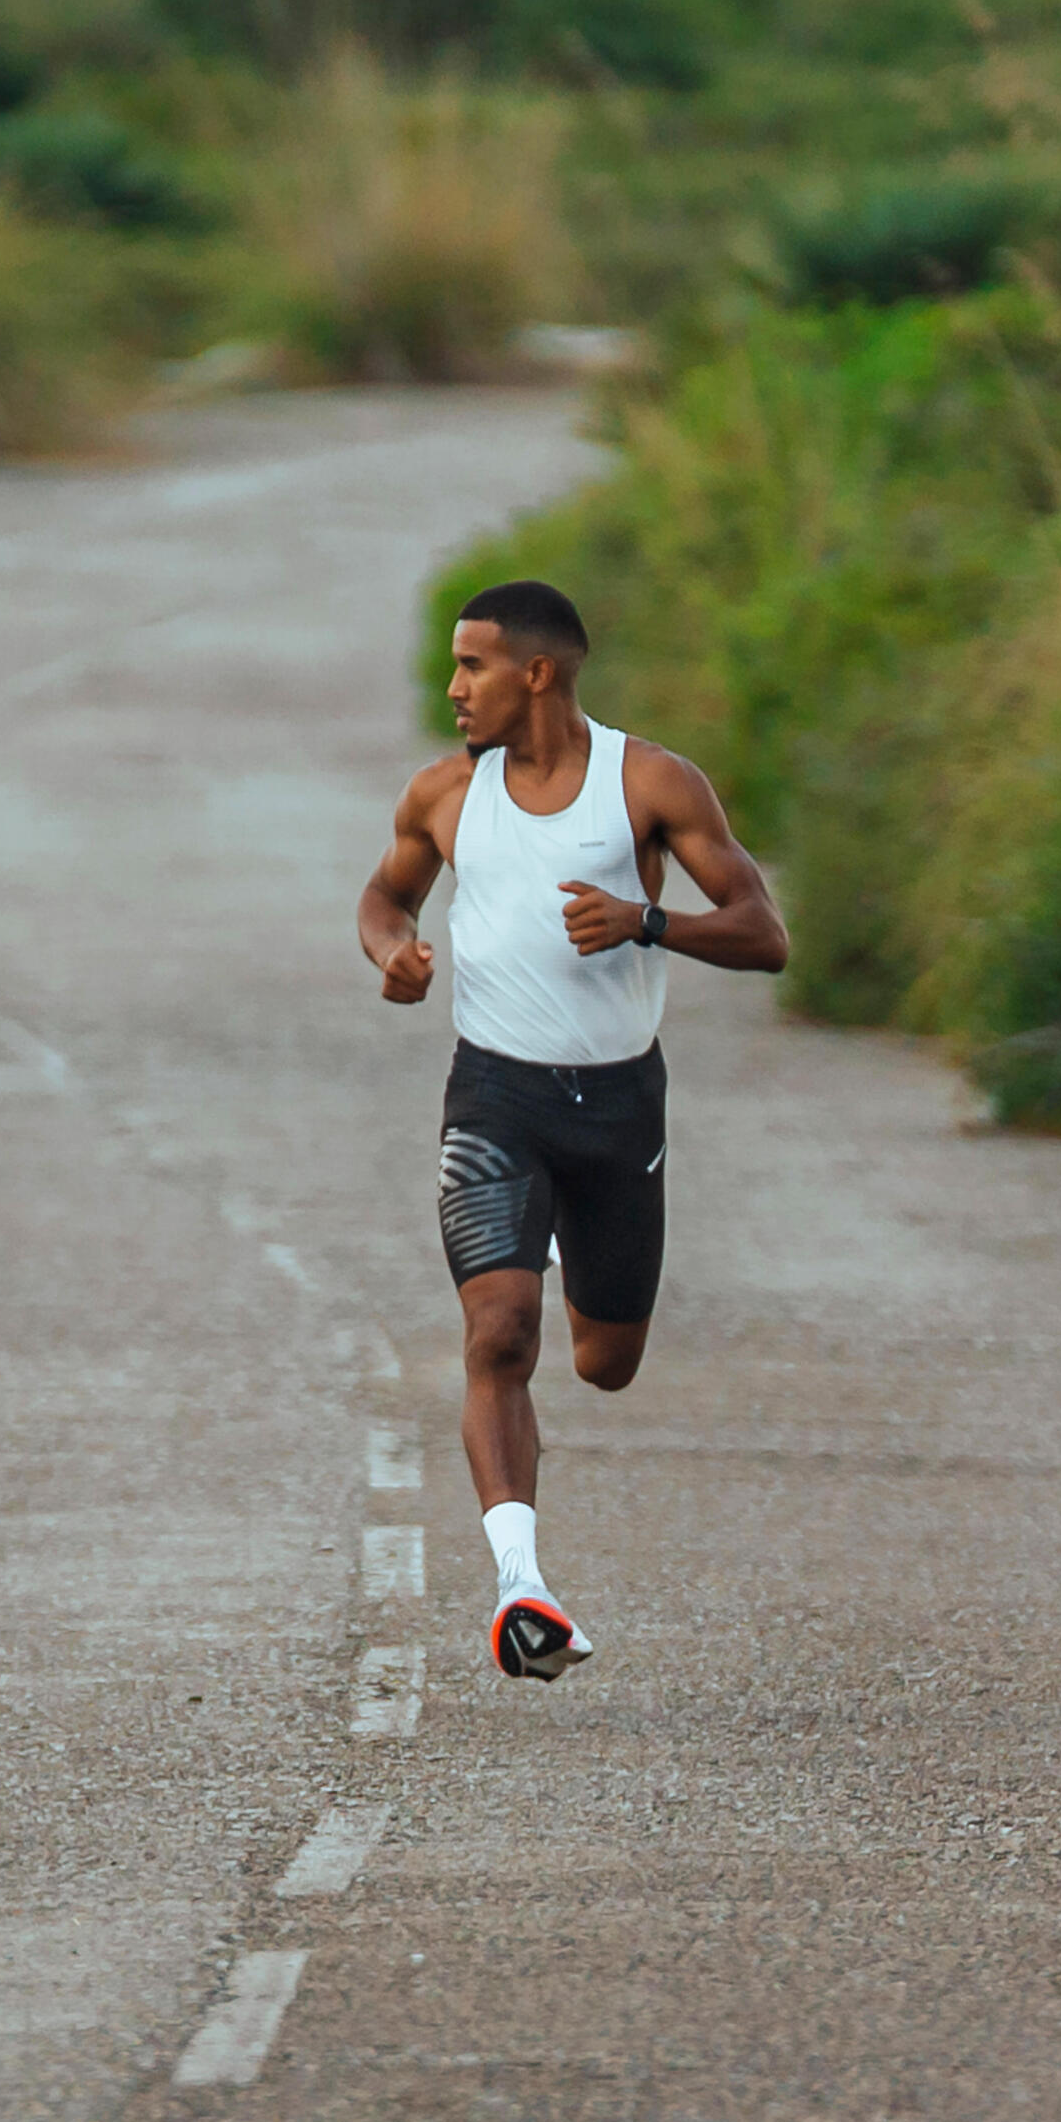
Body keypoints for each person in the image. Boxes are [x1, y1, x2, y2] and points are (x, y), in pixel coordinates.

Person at [356, 578, 787, 1679]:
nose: (453, 688)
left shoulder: (649, 781)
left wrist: (649, 921)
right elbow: (383, 895)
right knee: (500, 1333)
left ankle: (550, 1233)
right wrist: (392, 952)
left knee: (605, 1362)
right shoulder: (445, 794)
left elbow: (763, 932)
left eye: (473, 666)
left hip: (619, 1107)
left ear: (537, 672)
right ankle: (521, 1585)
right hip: (496, 1097)